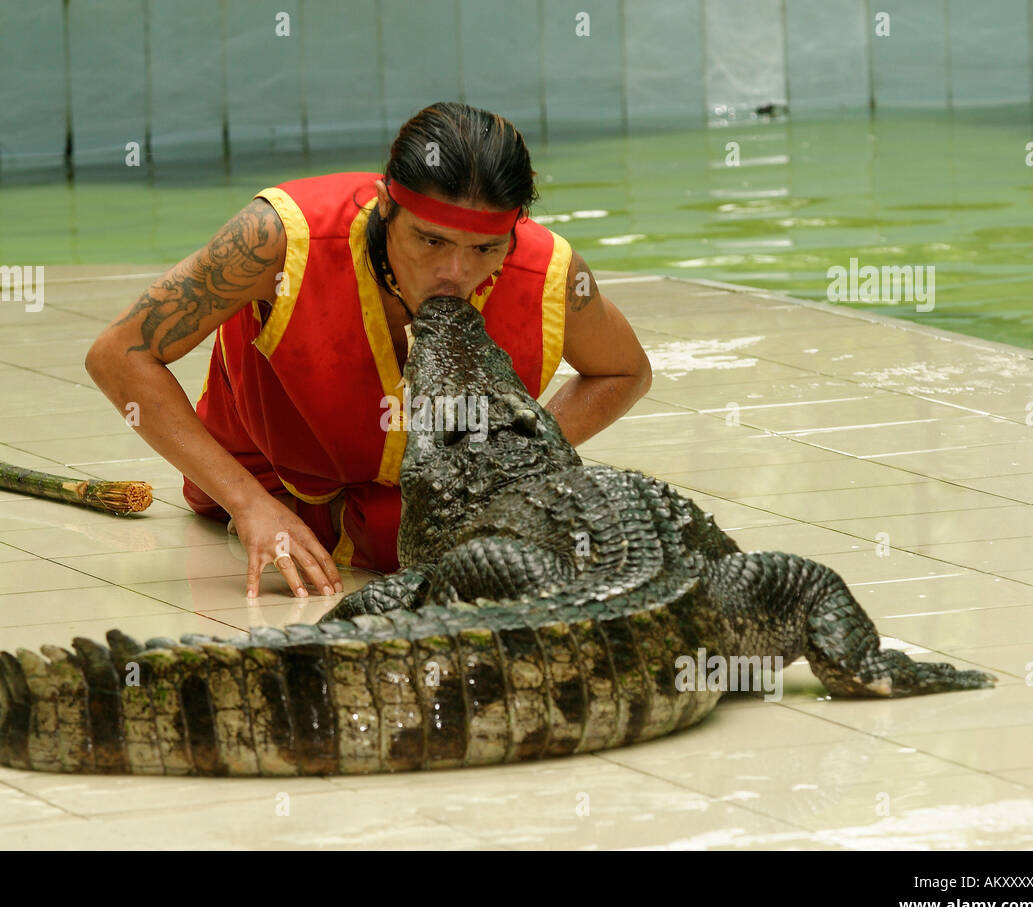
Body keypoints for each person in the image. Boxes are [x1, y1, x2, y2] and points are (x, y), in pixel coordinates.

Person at [85, 102, 652, 601]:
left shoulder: (550, 271)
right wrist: (246, 503)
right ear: (386, 206)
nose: (455, 273)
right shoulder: (279, 238)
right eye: (430, 241)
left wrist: (505, 461)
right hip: (273, 468)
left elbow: (624, 371)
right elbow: (118, 353)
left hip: (409, 497)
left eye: (485, 249)